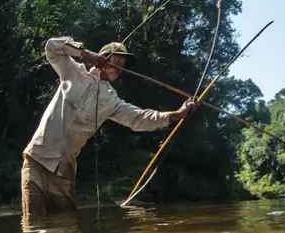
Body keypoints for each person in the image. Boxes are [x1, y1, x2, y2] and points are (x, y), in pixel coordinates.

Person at [20, 36, 198, 218]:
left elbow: (139, 118)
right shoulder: (73, 71)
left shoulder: (112, 100)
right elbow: (52, 47)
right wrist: (85, 53)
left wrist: (177, 114)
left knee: (65, 228)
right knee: (34, 224)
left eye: (124, 62)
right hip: (37, 160)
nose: (121, 65)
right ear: (103, 57)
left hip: (64, 172)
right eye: (117, 59)